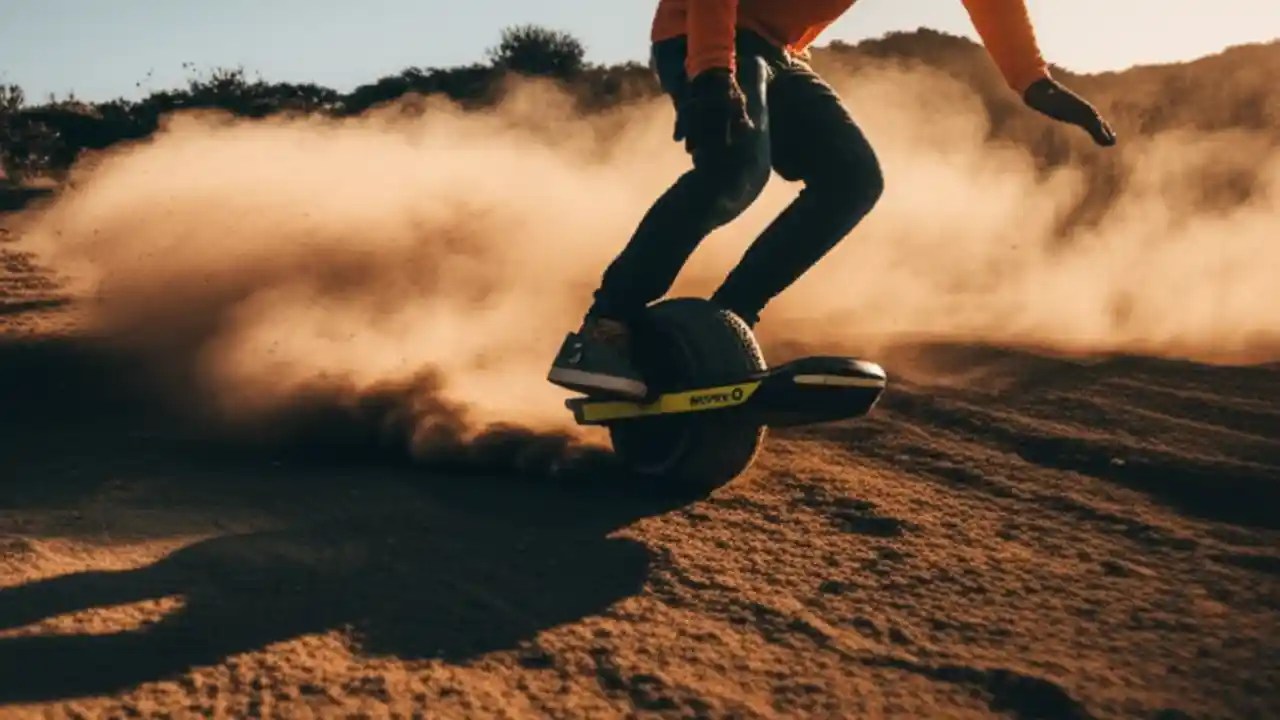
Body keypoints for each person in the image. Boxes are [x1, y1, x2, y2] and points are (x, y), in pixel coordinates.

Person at [547, 0, 1116, 400]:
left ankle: (723, 328)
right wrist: (713, 72)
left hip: (780, 53)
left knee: (853, 179)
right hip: (702, 30)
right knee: (734, 169)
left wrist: (1032, 80)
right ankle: (604, 329)